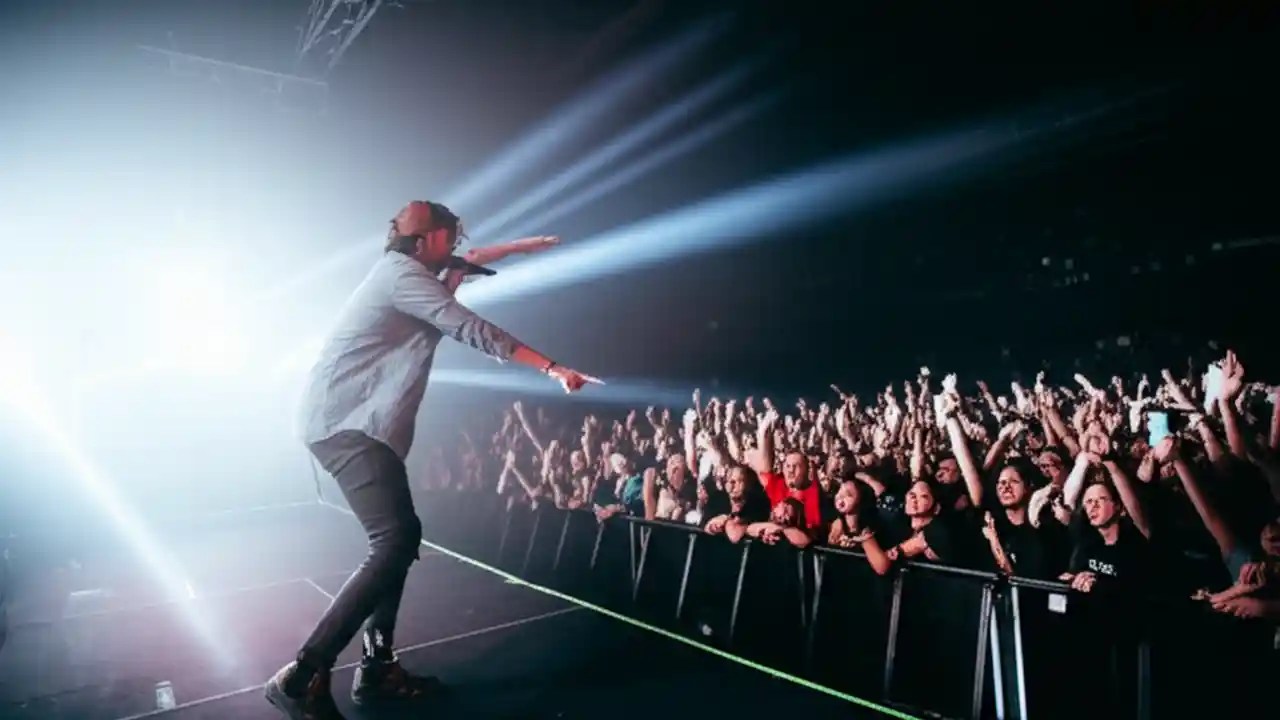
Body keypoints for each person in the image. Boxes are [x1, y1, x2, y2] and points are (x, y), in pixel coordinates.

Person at [265, 200, 600, 719]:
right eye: (449, 237)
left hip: (358, 422)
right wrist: (553, 367)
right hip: (346, 422)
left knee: (399, 539)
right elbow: (470, 327)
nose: (457, 243)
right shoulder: (403, 278)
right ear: (426, 243)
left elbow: (469, 258)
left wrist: (514, 248)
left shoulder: (412, 265)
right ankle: (302, 674)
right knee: (395, 539)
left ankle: (376, 669)